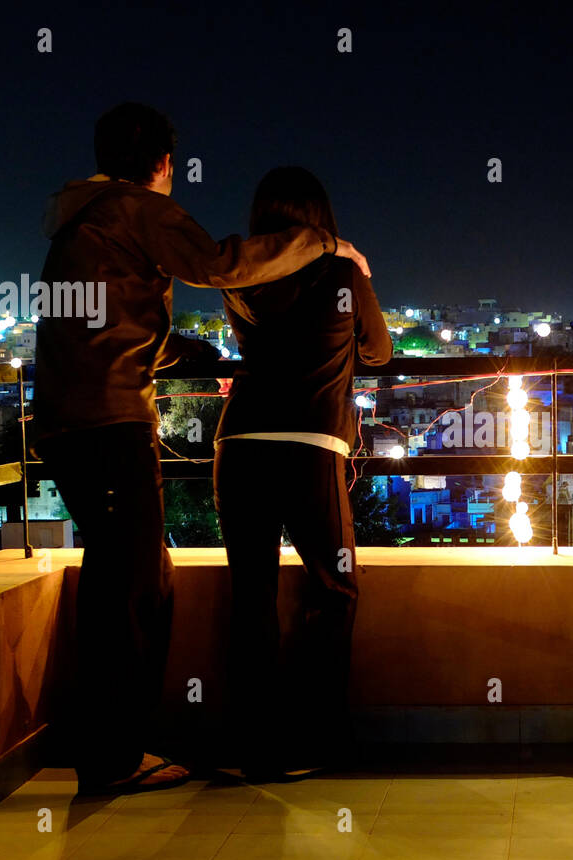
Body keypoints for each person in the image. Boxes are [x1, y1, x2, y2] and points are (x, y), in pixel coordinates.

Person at [32, 104, 371, 795]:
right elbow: (222, 263)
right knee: (135, 589)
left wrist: (191, 350)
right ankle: (114, 757)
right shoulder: (134, 209)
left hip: (72, 422)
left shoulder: (77, 220)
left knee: (130, 578)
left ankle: (123, 743)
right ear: (161, 164)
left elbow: (110, 324)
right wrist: (323, 245)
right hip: (108, 422)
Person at [213, 166, 392, 780]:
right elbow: (379, 351)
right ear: (322, 218)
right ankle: (321, 740)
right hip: (312, 443)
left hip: (239, 444)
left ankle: (255, 748)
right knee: (334, 591)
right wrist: (357, 270)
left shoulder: (241, 283)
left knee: (252, 596)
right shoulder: (342, 272)